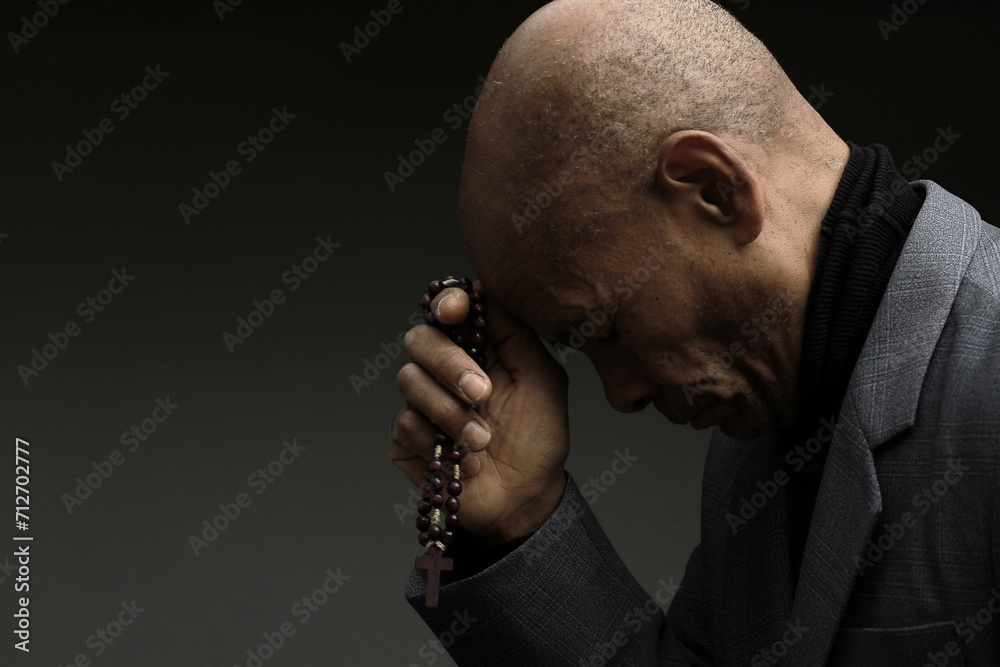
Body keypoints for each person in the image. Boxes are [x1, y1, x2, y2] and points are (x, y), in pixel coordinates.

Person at [388, 0, 1000, 664]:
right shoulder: (760, 438)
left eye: (608, 327)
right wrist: (520, 518)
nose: (620, 396)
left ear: (717, 190)